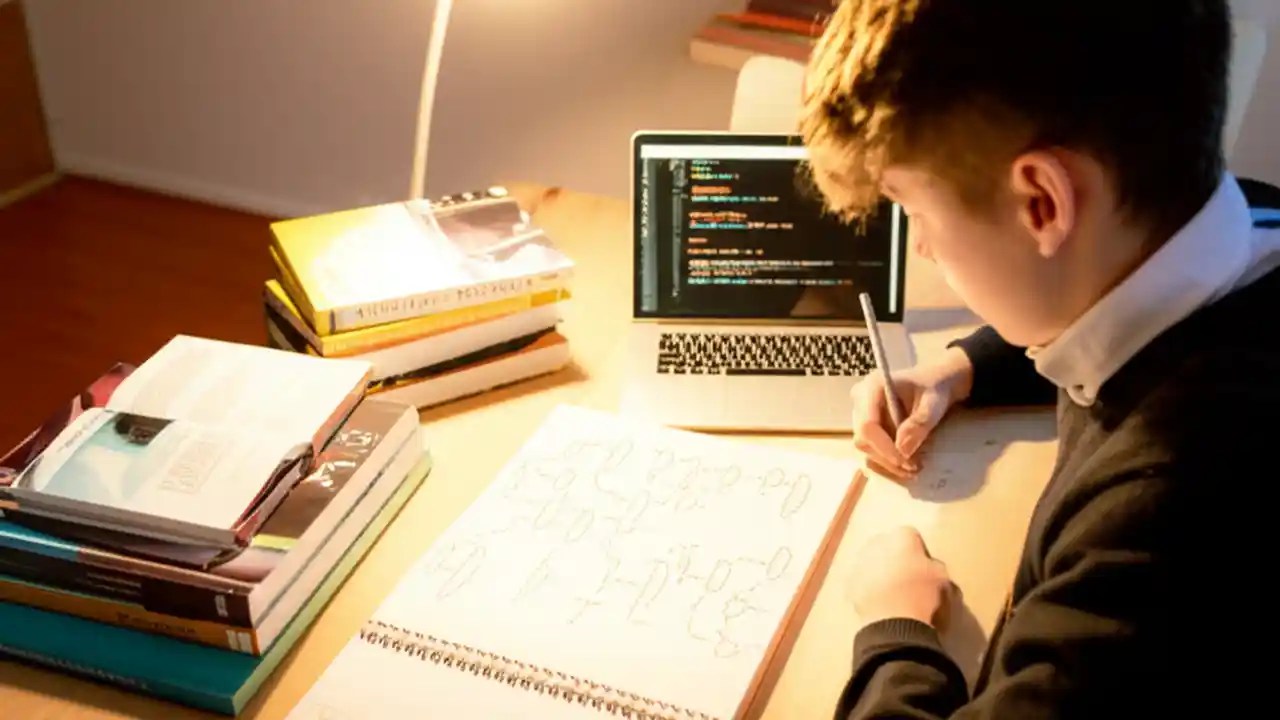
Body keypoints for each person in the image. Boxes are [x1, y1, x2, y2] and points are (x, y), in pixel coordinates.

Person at [798, 1, 1280, 717]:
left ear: (1043, 204)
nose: (922, 245)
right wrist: (961, 368)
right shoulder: (1237, 220)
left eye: (916, 211)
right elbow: (1107, 285)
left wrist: (894, 628)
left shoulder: (1156, 534)